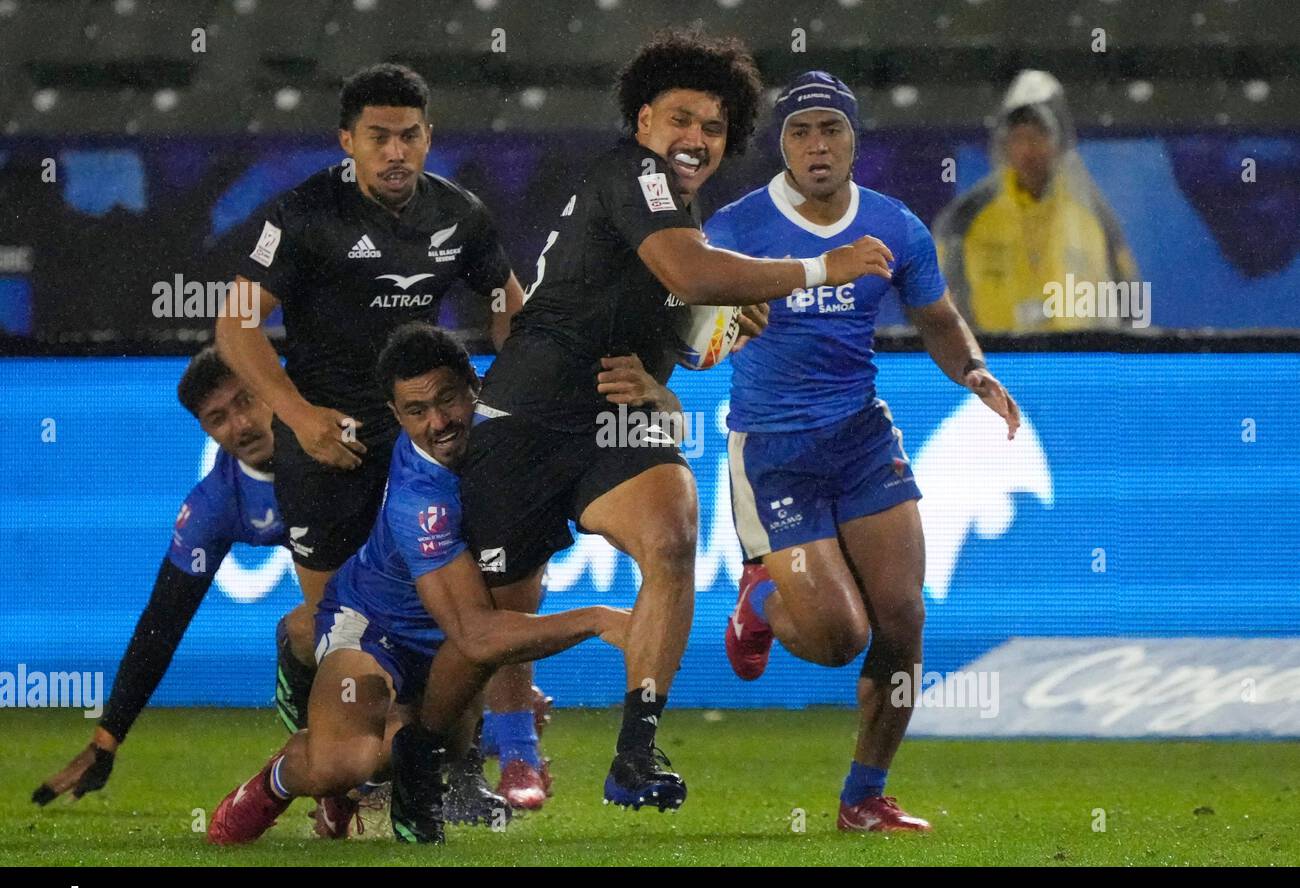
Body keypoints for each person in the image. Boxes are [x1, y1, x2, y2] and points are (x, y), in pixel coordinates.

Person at [408, 30, 894, 818]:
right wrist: (820, 267)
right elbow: (689, 274)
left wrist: (700, 354)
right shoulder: (632, 175)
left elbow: (679, 335)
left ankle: (635, 751)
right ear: (642, 123)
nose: (695, 138)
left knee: (670, 537)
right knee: (496, 622)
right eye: (680, 119)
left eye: (712, 126)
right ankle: (439, 761)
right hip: (526, 416)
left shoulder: (681, 210)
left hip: (611, 420)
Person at [705, 71, 1021, 833]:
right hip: (775, 452)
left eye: (831, 130)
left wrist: (974, 369)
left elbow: (939, 318)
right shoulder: (736, 228)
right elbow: (690, 333)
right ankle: (761, 597)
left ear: (853, 138)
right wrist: (713, 333)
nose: (817, 146)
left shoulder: (895, 226)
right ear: (780, 145)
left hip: (860, 438)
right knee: (837, 639)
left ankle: (863, 797)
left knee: (904, 619)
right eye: (800, 132)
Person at [207, 324, 630, 846]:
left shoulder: (510, 434)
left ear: (475, 386)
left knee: (412, 750)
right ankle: (273, 782)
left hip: (449, 651)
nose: (439, 423)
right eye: (416, 412)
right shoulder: (420, 497)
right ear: (396, 415)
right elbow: (477, 634)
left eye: (448, 400)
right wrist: (600, 620)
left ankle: (400, 760)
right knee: (345, 762)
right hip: (371, 629)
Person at [213, 63, 527, 735]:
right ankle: (331, 749)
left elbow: (509, 305)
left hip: (423, 437)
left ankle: (452, 769)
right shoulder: (302, 215)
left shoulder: (459, 214)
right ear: (346, 141)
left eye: (409, 136)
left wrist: (510, 397)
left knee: (448, 614)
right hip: (327, 438)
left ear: (428, 137)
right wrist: (299, 418)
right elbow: (234, 326)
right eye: (378, 137)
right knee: (340, 634)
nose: (395, 152)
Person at [31, 348, 312, 805]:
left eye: (245, 401)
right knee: (317, 636)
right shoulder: (216, 504)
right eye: (218, 418)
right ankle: (318, 737)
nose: (239, 426)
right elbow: (163, 620)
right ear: (205, 430)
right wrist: (107, 740)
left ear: (270, 385)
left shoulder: (336, 427)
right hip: (342, 616)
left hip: (390, 582)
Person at [933, 69, 1140, 331]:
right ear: (1004, 143)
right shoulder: (966, 217)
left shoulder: (1093, 216)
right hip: (994, 364)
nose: (1027, 150)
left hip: (1077, 365)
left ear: (1059, 142)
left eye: (1038, 136)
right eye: (1018, 137)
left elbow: (1128, 299)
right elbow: (936, 301)